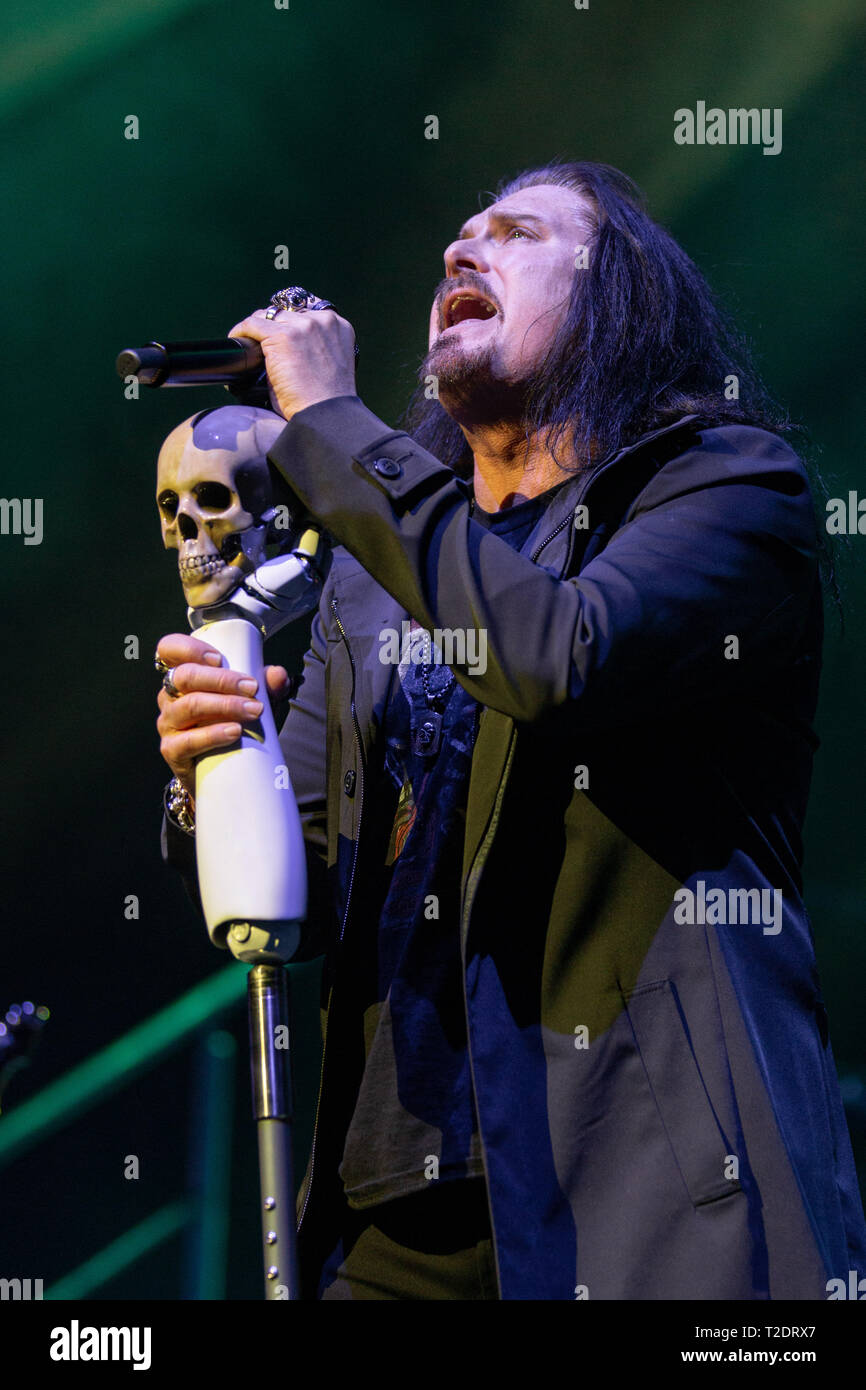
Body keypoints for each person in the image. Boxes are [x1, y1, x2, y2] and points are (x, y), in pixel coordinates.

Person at [157, 160, 866, 1300]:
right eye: (454, 238)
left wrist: (334, 424)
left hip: (638, 1196)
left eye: (513, 232)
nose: (459, 252)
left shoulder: (729, 489)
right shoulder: (372, 587)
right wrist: (216, 763)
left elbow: (550, 655)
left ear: (619, 294)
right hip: (388, 1211)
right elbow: (301, 890)